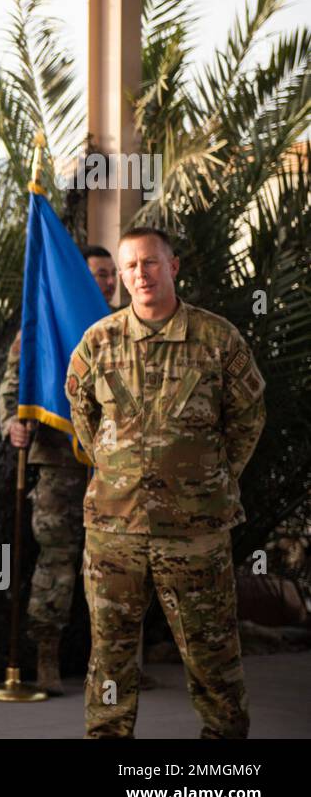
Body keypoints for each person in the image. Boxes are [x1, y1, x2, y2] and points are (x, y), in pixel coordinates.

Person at [65, 227, 265, 738]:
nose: (140, 274)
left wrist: (209, 479)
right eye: (130, 266)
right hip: (115, 530)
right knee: (109, 654)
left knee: (211, 653)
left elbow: (247, 418)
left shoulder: (218, 338)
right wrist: (121, 468)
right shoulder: (98, 342)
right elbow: (84, 421)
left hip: (194, 532)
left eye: (150, 263)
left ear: (172, 266)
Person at [0, 245, 116, 694]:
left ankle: (115, 662)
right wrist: (12, 422)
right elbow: (14, 383)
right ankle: (47, 656)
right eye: (97, 274)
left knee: (115, 566)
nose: (105, 282)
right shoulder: (44, 326)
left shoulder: (125, 327)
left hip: (114, 468)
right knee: (57, 561)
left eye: (110, 275)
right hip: (60, 464)